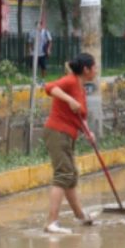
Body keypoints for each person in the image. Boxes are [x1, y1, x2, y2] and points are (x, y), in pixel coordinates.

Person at [43, 53, 97, 234]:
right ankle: (51, 222)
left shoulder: (81, 88)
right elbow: (49, 87)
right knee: (63, 175)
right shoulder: (71, 81)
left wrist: (88, 133)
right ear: (86, 69)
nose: (96, 70)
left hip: (68, 135)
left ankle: (80, 216)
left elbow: (82, 117)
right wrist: (70, 100)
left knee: (70, 175)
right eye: (94, 67)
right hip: (57, 132)